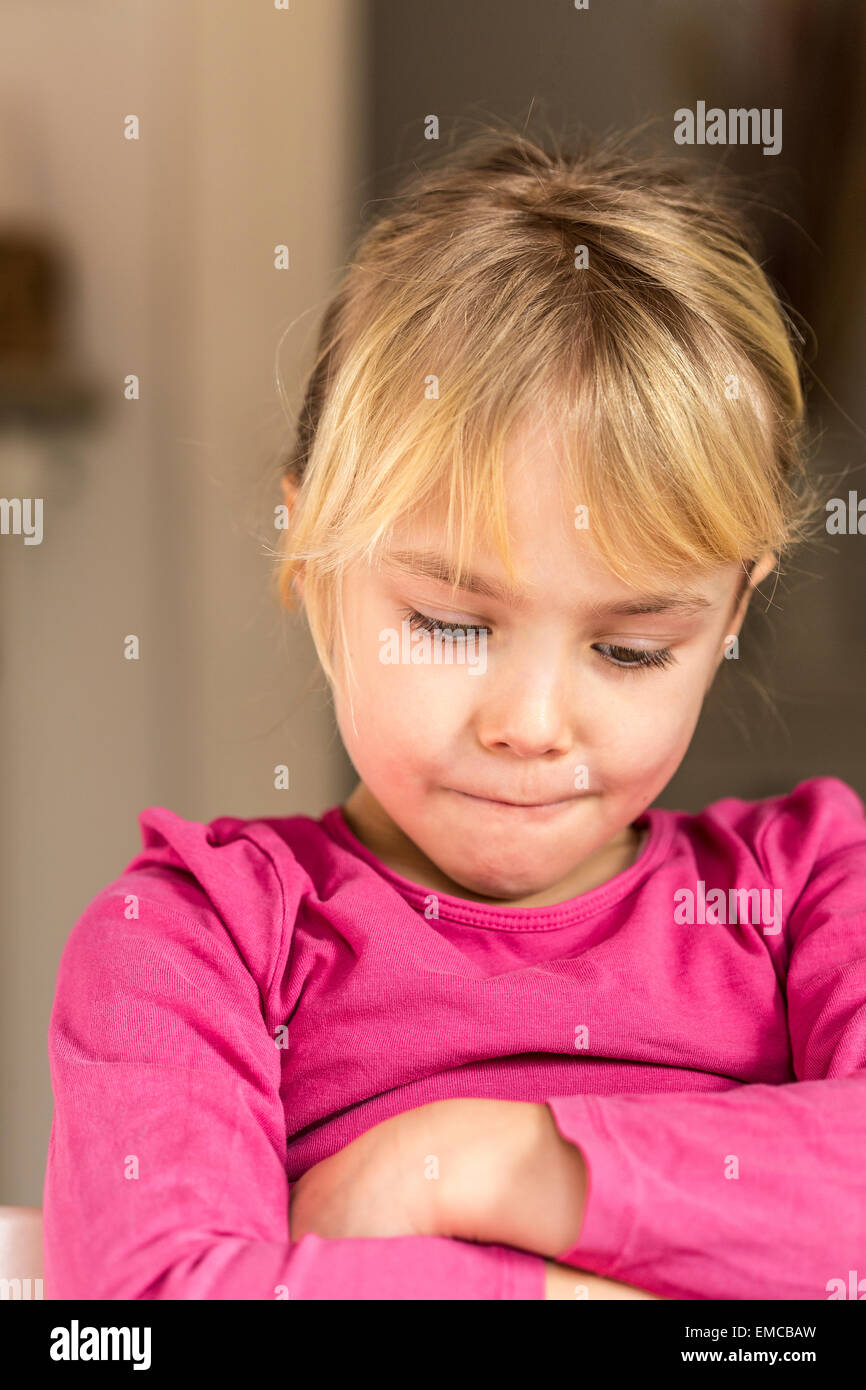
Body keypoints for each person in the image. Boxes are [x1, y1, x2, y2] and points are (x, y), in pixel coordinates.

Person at [43, 124, 866, 1300]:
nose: (529, 721)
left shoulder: (806, 898)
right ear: (309, 554)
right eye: (448, 623)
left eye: (630, 647)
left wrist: (474, 1168)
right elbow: (157, 1307)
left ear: (735, 609)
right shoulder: (198, 941)